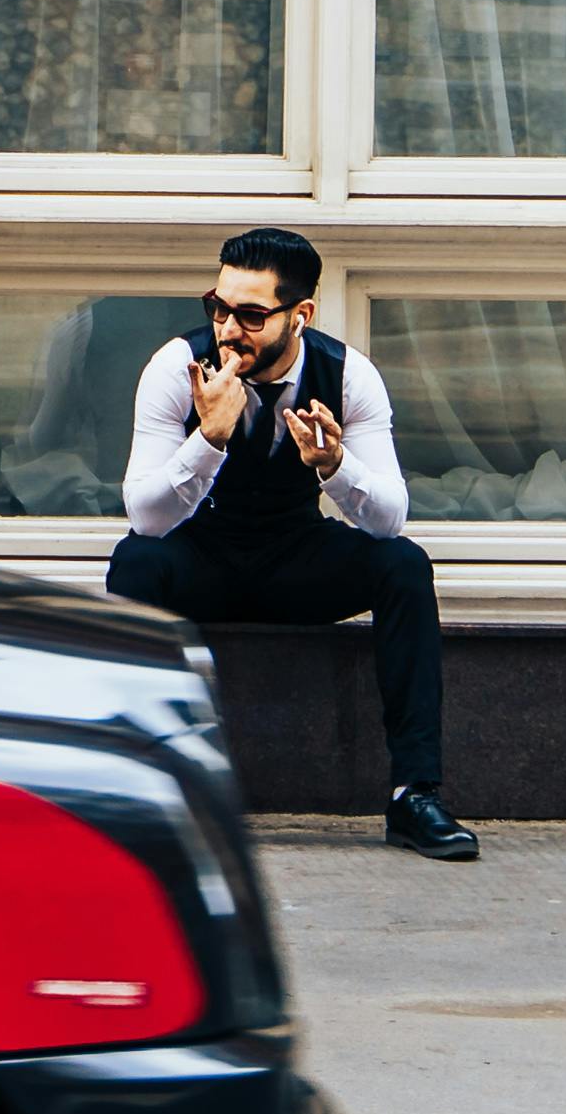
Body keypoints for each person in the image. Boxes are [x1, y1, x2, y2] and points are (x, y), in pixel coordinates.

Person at [103, 228, 478, 861]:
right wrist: (209, 439)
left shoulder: (348, 375)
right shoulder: (176, 366)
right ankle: (136, 792)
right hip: (203, 556)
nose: (227, 329)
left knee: (404, 566)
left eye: (250, 315)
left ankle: (415, 795)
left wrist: (336, 468)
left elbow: (390, 521)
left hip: (294, 557)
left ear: (299, 315)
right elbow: (146, 516)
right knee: (135, 561)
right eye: (218, 307)